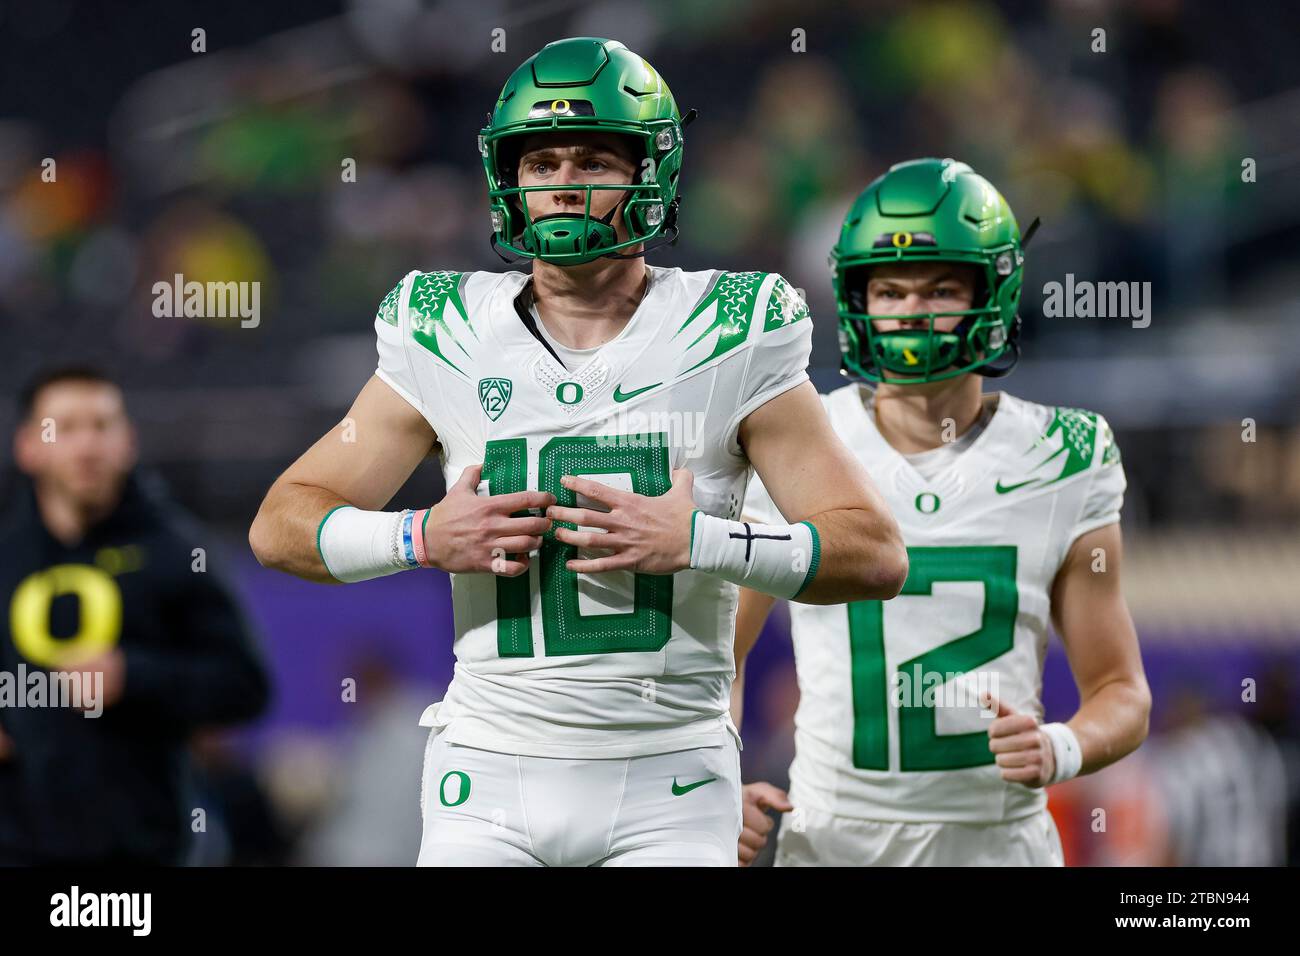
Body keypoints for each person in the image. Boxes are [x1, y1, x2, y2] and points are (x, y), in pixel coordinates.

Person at [249, 37, 907, 867]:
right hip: (485, 775)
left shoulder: (733, 329)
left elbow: (874, 552)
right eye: (541, 160)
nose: (562, 181)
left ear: (649, 174)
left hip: (669, 780)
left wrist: (701, 540)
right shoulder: (442, 329)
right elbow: (280, 523)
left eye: (592, 158)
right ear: (508, 178)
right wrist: (419, 538)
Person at [733, 158, 1151, 866]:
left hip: (997, 844)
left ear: (995, 293)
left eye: (943, 288)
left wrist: (1062, 745)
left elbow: (1120, 689)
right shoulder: (800, 440)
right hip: (832, 840)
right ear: (856, 299)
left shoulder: (1067, 454)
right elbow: (720, 654)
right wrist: (717, 783)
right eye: (889, 290)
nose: (913, 312)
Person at [0, 366, 271, 865]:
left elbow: (246, 686)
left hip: (147, 850)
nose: (86, 446)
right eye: (63, 427)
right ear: (28, 446)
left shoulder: (177, 551)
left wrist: (135, 676)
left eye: (102, 426)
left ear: (128, 441)